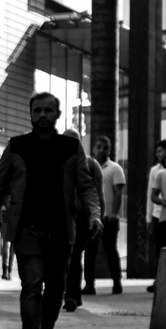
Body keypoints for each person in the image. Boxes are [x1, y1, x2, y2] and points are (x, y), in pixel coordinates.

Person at [0, 92, 102, 329]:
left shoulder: (71, 147)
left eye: (48, 110)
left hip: (62, 230)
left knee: (56, 289)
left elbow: (86, 186)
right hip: (27, 229)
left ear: (57, 115)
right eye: (37, 110)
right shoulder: (17, 146)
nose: (43, 115)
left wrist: (95, 214)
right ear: (31, 114)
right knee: (32, 286)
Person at [62, 129, 105, 313]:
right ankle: (71, 295)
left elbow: (96, 193)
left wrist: (97, 216)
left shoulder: (90, 164)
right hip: (61, 217)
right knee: (64, 257)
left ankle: (71, 296)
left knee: (74, 255)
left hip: (81, 217)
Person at [89, 136, 126, 295]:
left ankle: (117, 283)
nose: (102, 150)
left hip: (109, 218)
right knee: (90, 252)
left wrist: (114, 214)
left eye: (105, 147)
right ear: (93, 149)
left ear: (110, 150)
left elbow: (119, 194)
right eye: (99, 147)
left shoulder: (115, 168)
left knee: (111, 251)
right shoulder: (88, 167)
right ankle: (89, 285)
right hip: (92, 217)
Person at [147, 138, 166, 292]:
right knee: (159, 250)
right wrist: (148, 218)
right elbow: (149, 194)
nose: (158, 154)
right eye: (156, 152)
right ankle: (159, 281)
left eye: (160, 151)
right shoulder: (154, 171)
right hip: (158, 215)